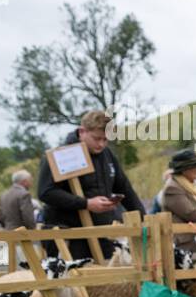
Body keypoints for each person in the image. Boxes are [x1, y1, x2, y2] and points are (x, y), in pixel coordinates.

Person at [38, 109, 145, 259]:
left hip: (102, 234)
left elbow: (124, 188)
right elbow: (46, 192)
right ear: (82, 132)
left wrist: (144, 218)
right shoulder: (61, 155)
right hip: (69, 235)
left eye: (106, 140)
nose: (101, 144)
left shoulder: (107, 155)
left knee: (109, 280)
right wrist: (85, 203)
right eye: (97, 138)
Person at [162, 148, 196, 250]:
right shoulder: (173, 188)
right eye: (194, 166)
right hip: (184, 245)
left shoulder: (191, 186)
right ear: (183, 169)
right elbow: (191, 214)